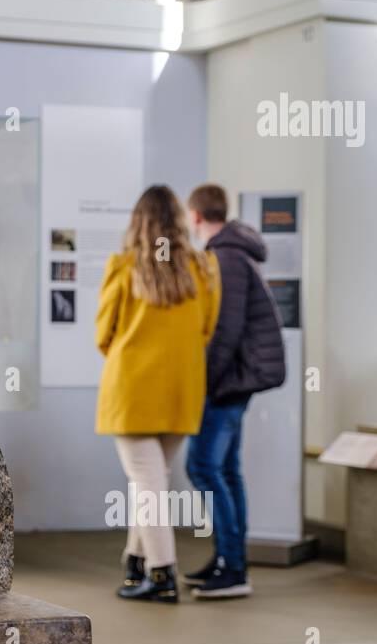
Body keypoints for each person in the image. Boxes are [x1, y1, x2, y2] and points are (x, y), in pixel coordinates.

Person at [96, 185, 220, 604]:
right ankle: (134, 560)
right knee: (149, 482)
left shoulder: (124, 267)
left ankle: (163, 574)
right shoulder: (204, 270)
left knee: (148, 484)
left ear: (139, 223)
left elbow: (103, 333)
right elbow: (207, 330)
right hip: (180, 391)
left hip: (132, 391)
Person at [182, 184, 286, 599]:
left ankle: (233, 567)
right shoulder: (237, 252)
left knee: (203, 467)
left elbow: (224, 329)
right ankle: (229, 560)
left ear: (195, 217)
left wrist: (204, 379)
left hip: (229, 380)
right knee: (225, 469)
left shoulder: (223, 257)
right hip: (240, 377)